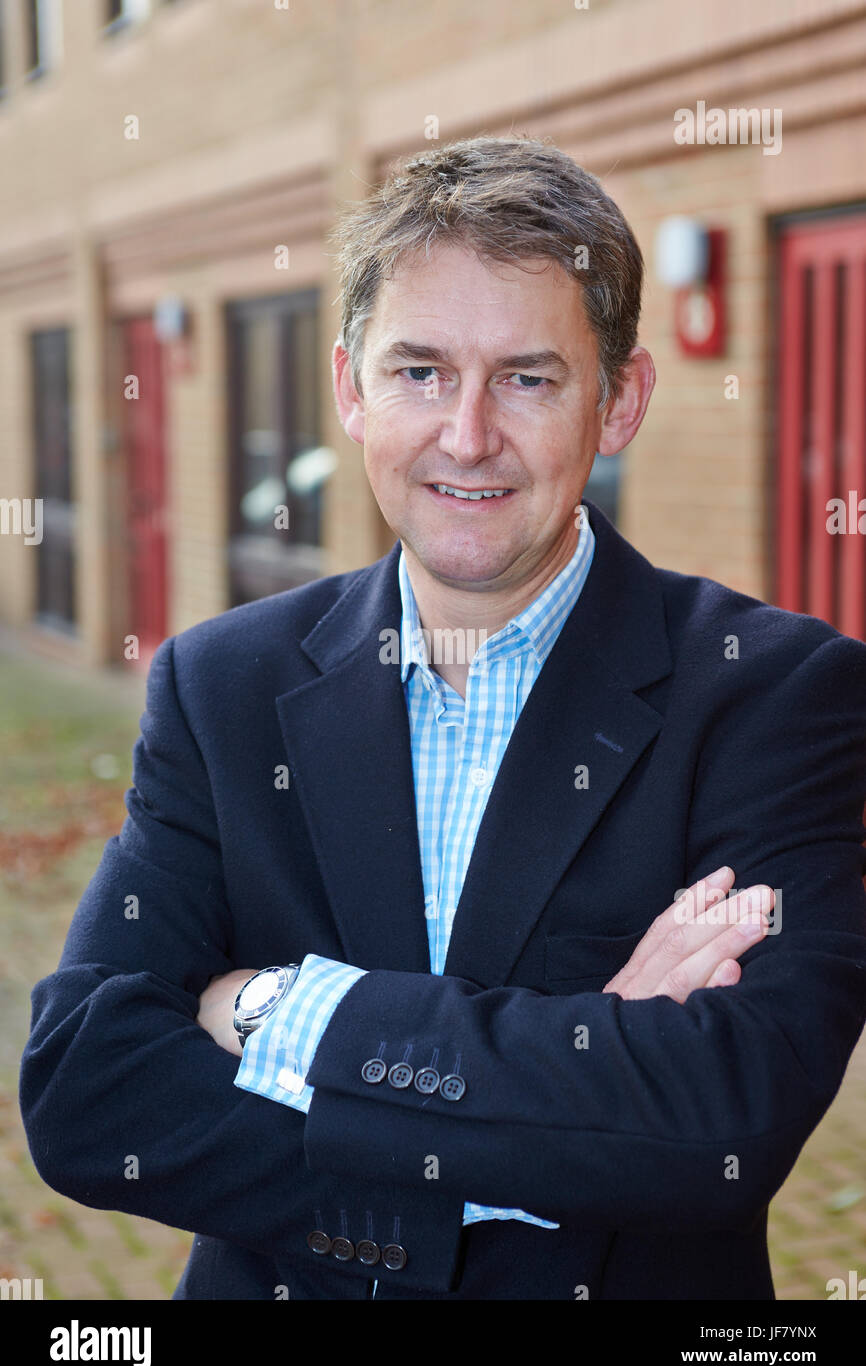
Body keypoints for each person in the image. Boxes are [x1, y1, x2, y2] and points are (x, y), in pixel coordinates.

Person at [19, 136, 866, 1301]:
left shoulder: (774, 694)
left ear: (618, 401)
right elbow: (86, 1089)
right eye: (418, 371)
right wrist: (571, 1071)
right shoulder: (224, 687)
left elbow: (721, 1119)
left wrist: (282, 1006)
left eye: (526, 377)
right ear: (349, 392)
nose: (465, 436)